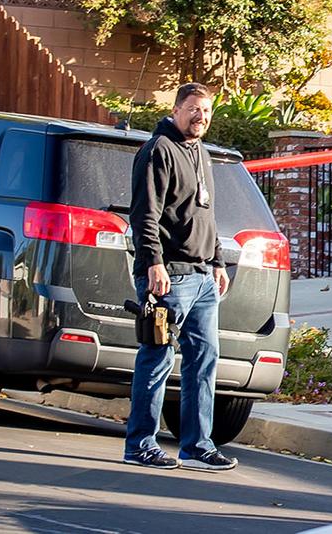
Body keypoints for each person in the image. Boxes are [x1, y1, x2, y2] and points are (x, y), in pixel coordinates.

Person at [122, 82, 236, 470]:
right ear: (176, 111)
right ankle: (140, 444)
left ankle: (197, 446)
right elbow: (145, 214)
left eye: (206, 110)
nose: (201, 117)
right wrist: (153, 263)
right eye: (193, 109)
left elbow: (207, 213)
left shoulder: (200, 151)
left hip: (202, 277)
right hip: (169, 277)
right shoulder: (159, 150)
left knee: (203, 361)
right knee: (156, 359)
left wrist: (217, 262)